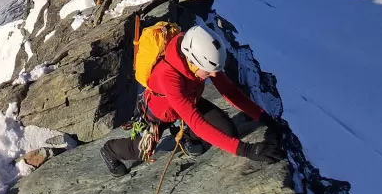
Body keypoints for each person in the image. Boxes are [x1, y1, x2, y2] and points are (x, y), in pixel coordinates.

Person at [100, 23, 283, 177]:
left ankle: (186, 137)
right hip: (157, 113)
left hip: (188, 101)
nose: (213, 75)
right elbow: (195, 121)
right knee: (140, 151)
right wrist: (247, 150)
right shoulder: (168, 75)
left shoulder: (202, 58)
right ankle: (110, 150)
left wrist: (264, 118)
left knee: (228, 132)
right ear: (192, 61)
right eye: (209, 71)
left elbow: (229, 91)